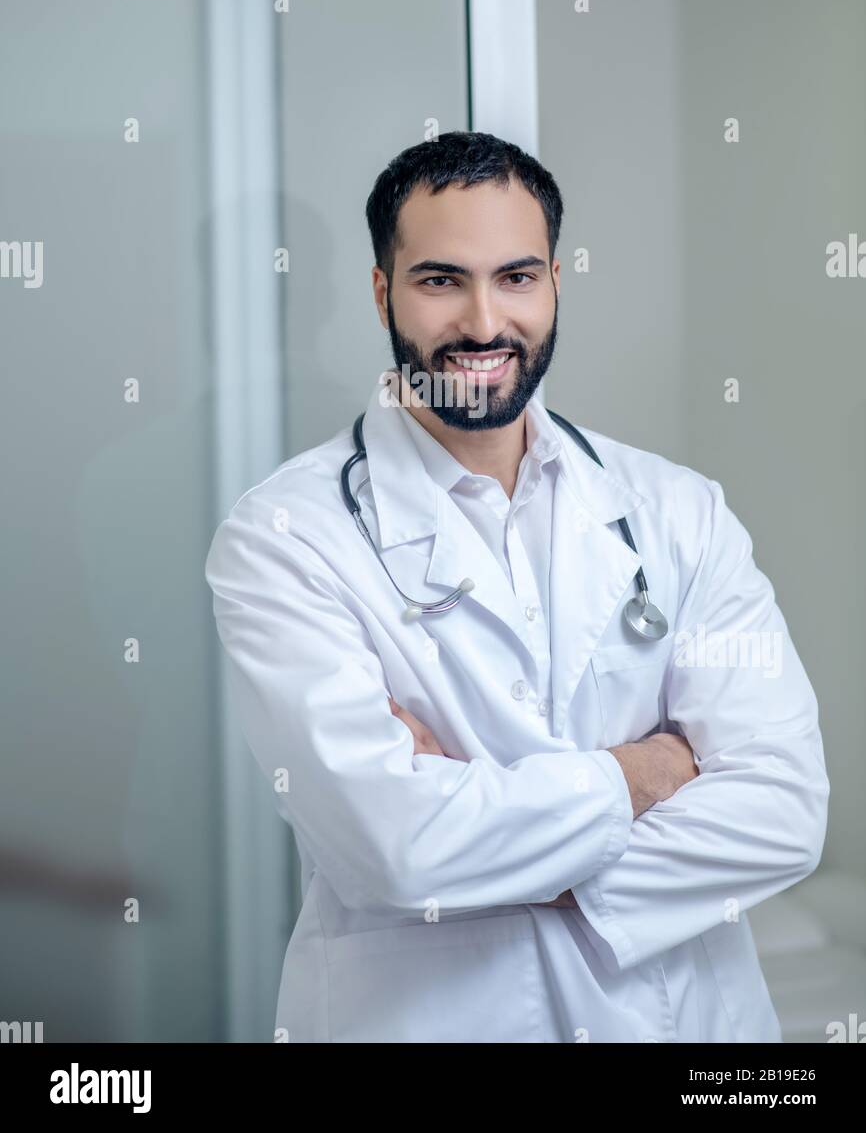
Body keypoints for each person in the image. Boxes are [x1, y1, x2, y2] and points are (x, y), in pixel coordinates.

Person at [205, 130, 829, 1043]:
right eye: (440, 280)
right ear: (383, 291)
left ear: (556, 281)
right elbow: (396, 847)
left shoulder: (677, 511)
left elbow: (784, 814)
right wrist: (645, 771)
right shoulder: (285, 537)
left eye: (518, 277)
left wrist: (486, 822)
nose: (486, 323)